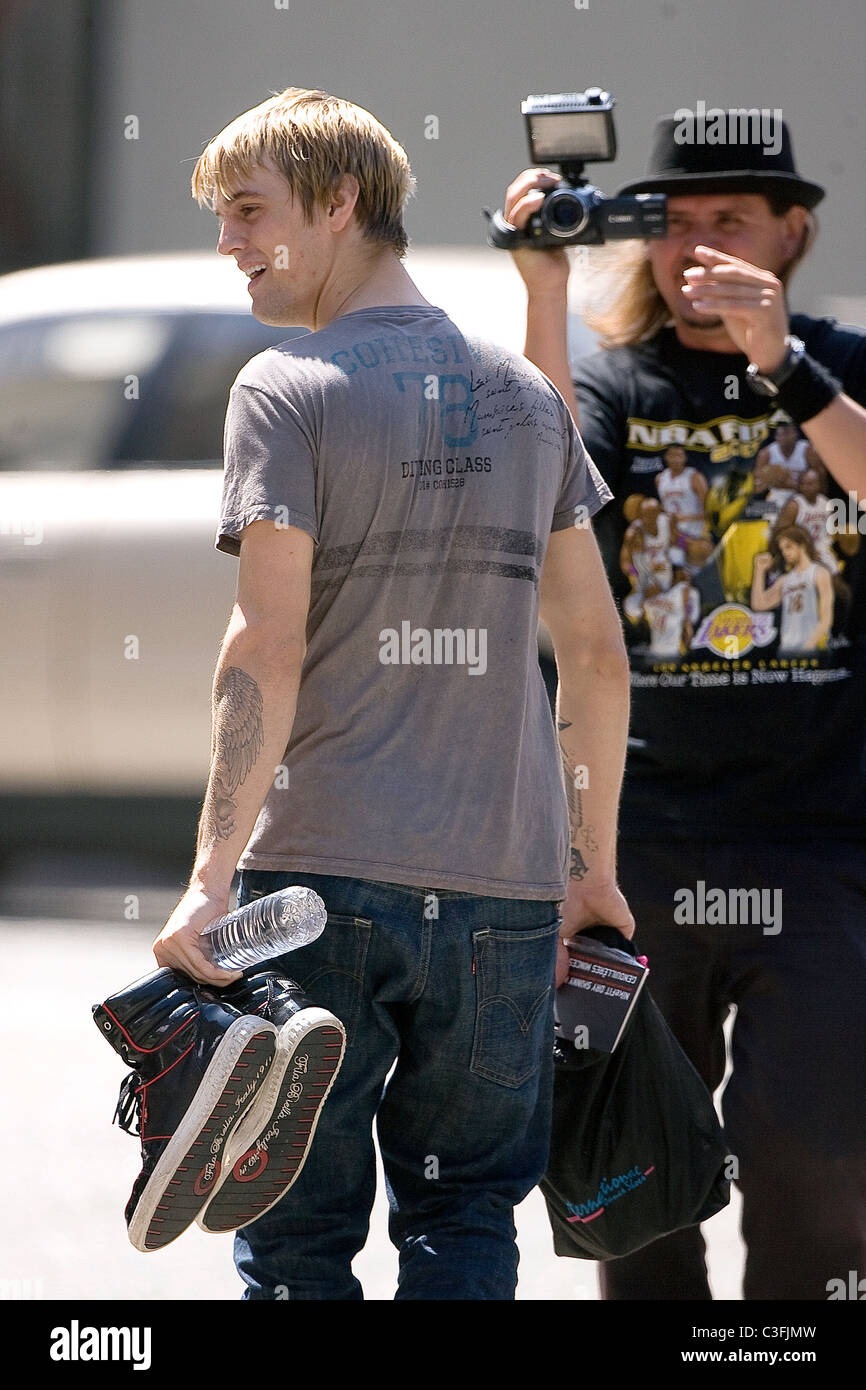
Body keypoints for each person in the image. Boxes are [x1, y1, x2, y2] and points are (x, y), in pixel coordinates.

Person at [151, 86, 633, 1300]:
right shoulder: (532, 402)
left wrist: (210, 879)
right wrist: (587, 866)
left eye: (249, 211)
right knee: (465, 1213)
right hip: (506, 893)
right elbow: (594, 652)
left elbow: (261, 645)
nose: (229, 244)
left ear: (340, 203)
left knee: (296, 1237)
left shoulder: (286, 386)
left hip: (318, 883)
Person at [503, 109, 866, 1299]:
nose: (697, 246)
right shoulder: (614, 380)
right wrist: (544, 294)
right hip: (638, 833)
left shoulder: (839, 365)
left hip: (819, 838)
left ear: (791, 232)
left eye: (731, 221)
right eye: (674, 223)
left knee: (813, 1158)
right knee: (634, 1166)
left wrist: (782, 364)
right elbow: (541, 477)